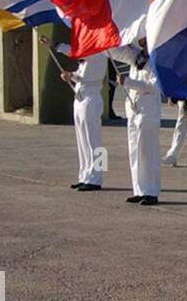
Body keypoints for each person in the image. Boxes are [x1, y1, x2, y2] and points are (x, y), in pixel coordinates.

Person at [53, 38, 107, 192]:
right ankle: (85, 175)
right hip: (80, 94)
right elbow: (83, 75)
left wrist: (56, 44)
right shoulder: (86, 57)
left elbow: (74, 52)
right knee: (82, 140)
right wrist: (71, 76)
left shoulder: (99, 50)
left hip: (91, 96)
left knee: (94, 140)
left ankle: (97, 177)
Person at [111, 41, 161, 206]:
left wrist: (129, 82)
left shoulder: (157, 59)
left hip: (148, 107)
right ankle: (139, 189)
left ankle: (151, 191)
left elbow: (155, 86)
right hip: (133, 107)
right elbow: (114, 52)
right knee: (135, 150)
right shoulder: (136, 56)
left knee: (148, 150)